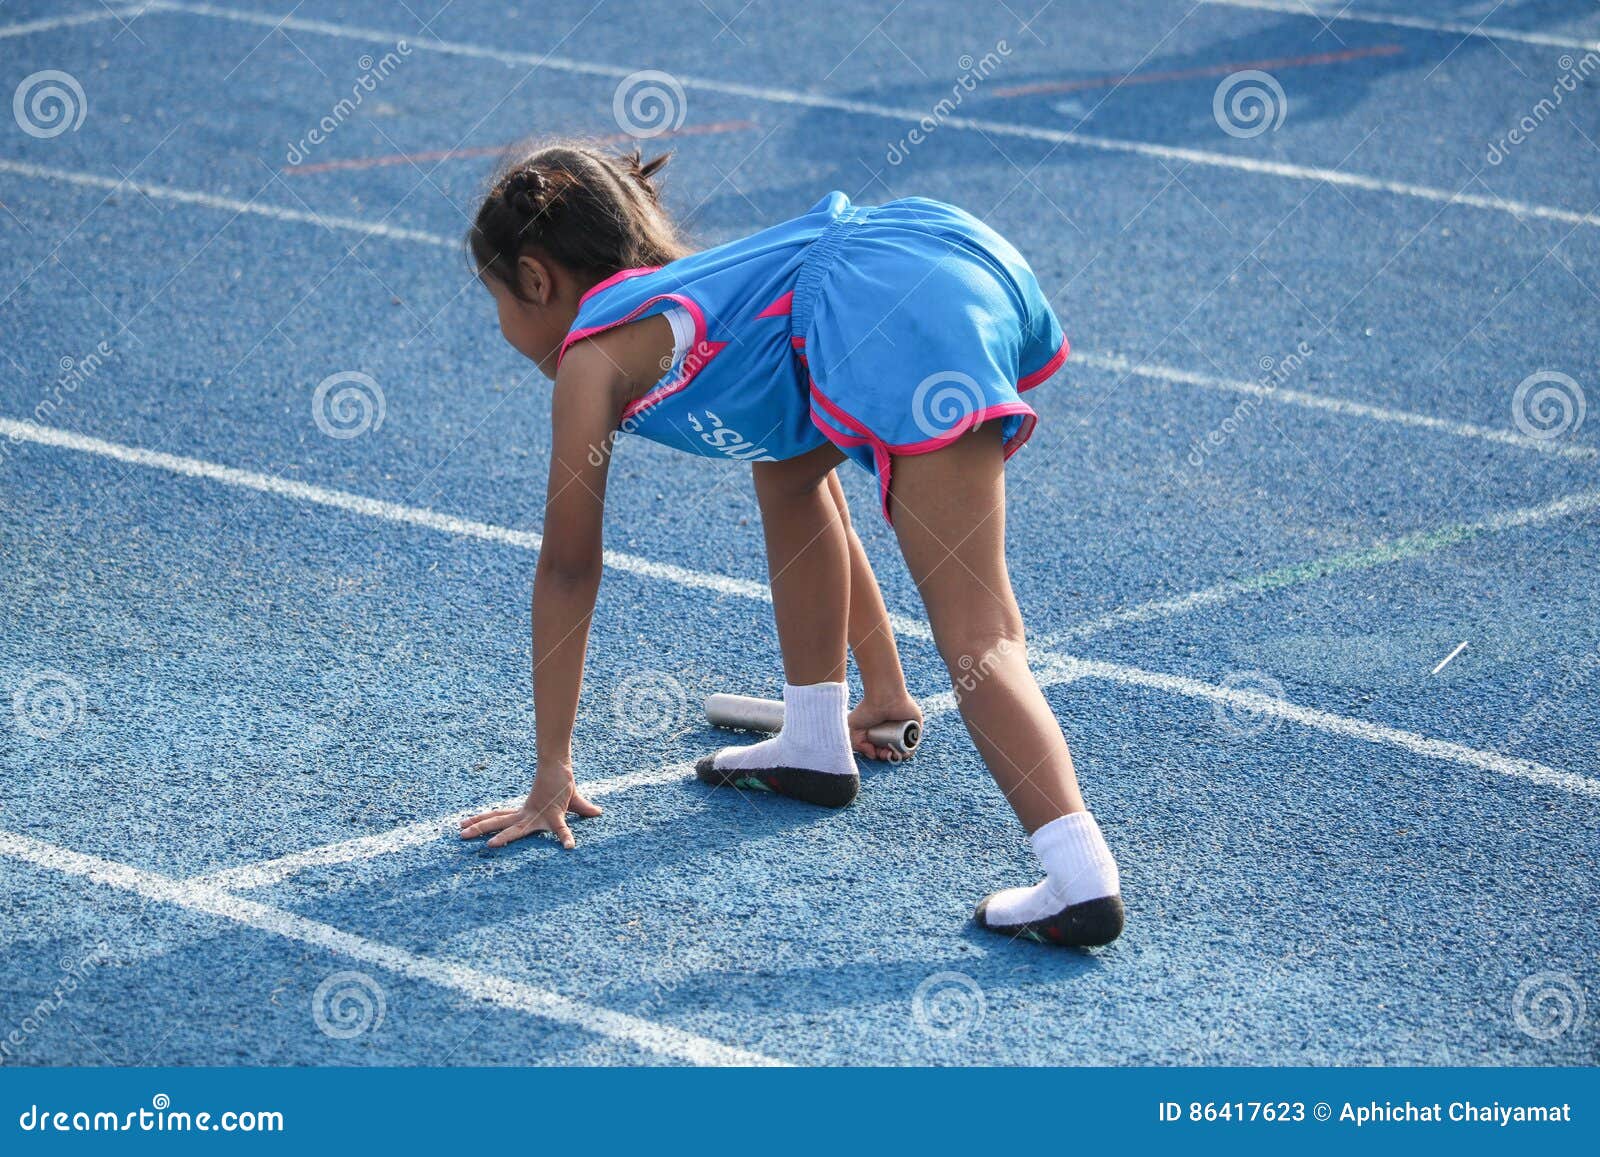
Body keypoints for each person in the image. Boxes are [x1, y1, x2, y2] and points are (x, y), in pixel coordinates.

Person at [458, 141, 1123, 946]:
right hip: (938, 258)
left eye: (495, 300)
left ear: (536, 279)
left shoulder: (592, 357)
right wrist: (885, 690)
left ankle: (1079, 876)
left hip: (895, 301)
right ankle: (815, 736)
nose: (502, 327)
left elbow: (568, 567)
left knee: (982, 636)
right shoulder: (719, 302)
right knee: (786, 471)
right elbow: (819, 489)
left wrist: (551, 771)